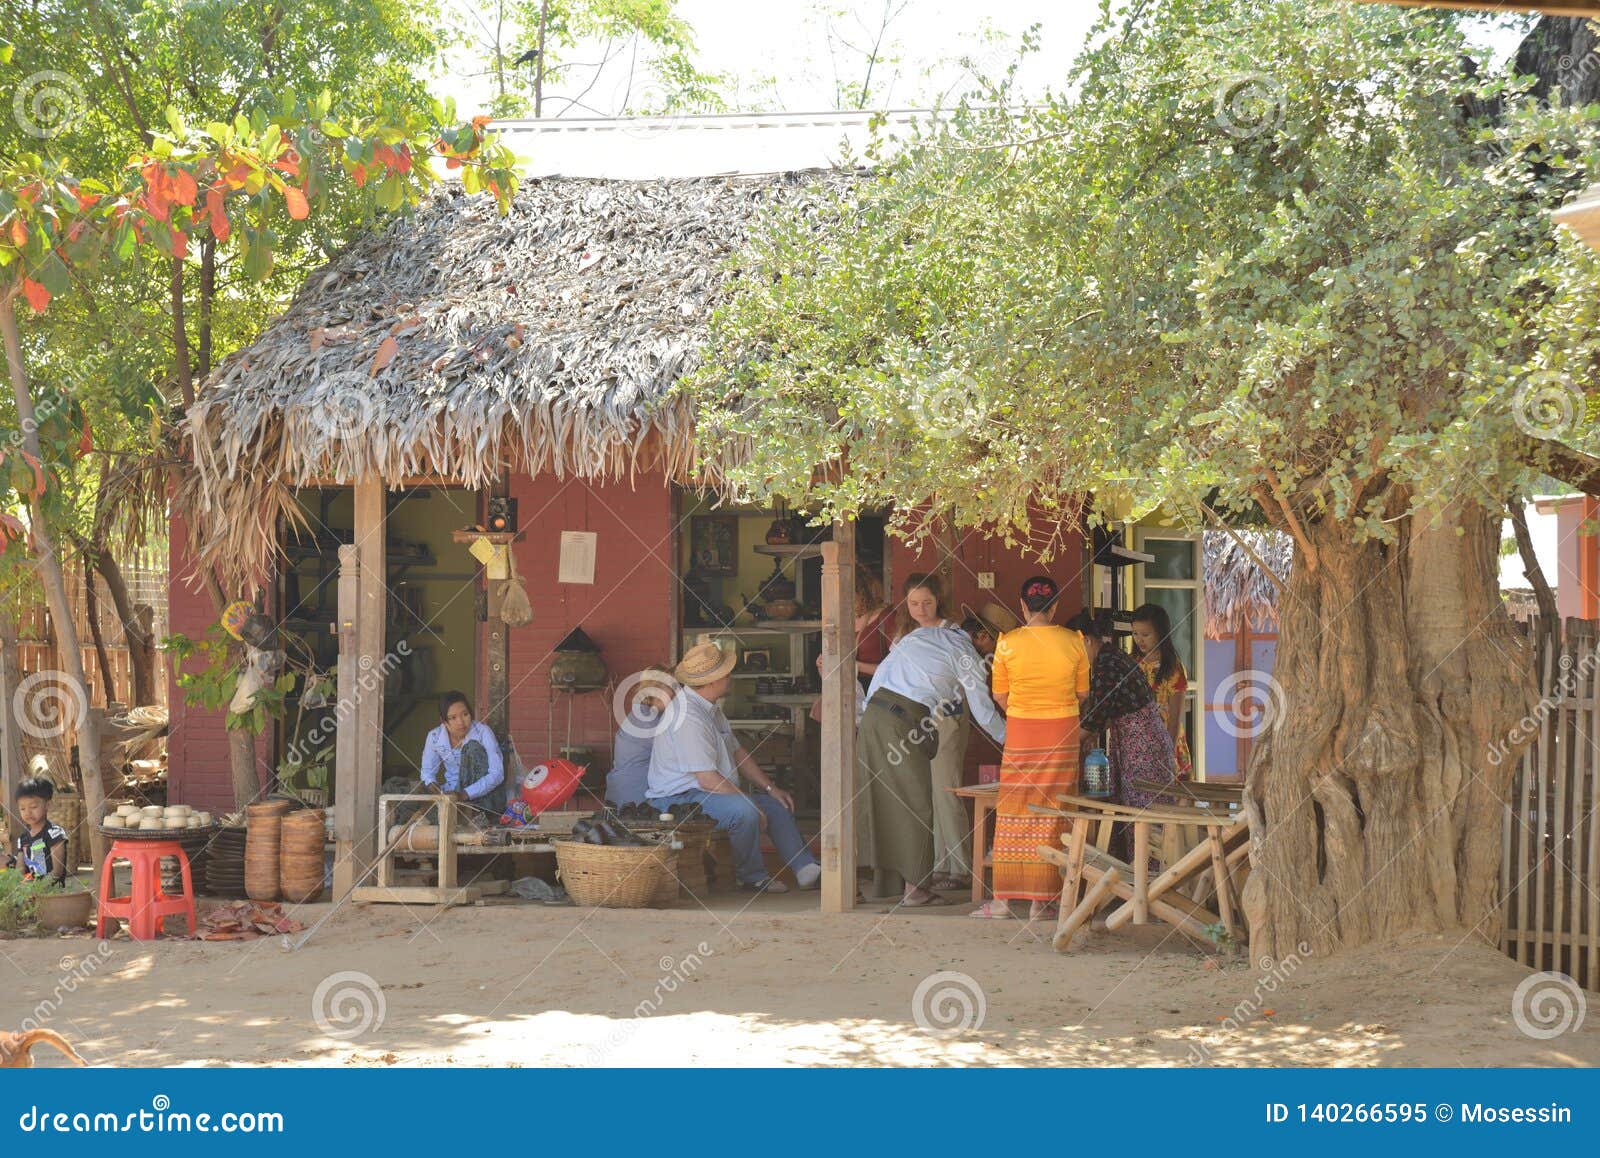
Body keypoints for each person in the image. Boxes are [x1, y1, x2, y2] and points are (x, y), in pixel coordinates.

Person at [858, 603, 1006, 907]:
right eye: (995, 643)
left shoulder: (921, 637)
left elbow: (883, 676)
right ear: (980, 636)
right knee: (917, 804)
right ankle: (915, 890)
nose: (994, 653)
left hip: (874, 715)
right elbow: (983, 712)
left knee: (881, 801)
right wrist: (1016, 744)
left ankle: (882, 884)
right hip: (901, 720)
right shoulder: (964, 653)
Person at [648, 643, 821, 893]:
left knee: (775, 803)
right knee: (745, 810)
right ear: (711, 681)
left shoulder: (709, 707)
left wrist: (770, 787)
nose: (730, 677)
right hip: (678, 801)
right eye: (726, 673)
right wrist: (750, 804)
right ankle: (752, 878)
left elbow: (738, 753)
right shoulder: (687, 717)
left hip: (703, 794)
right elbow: (707, 779)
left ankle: (806, 870)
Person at [972, 576, 1089, 921]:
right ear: (1055, 607)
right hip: (1062, 730)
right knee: (1055, 807)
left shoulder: (1007, 643)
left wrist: (1024, 712)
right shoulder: (1075, 641)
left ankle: (1004, 901)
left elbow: (999, 696)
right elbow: (1082, 694)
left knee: (1015, 808)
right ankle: (1044, 901)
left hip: (1022, 730)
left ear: (1022, 606)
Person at [890, 572, 973, 892]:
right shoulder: (904, 633)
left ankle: (960, 866)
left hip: (945, 716)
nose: (921, 609)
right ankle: (938, 863)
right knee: (923, 793)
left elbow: (965, 679)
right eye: (914, 603)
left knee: (946, 788)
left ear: (939, 600)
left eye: (927, 602)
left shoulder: (952, 633)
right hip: (911, 717)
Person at [1069, 610, 1177, 852]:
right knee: (1134, 809)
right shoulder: (1110, 658)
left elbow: (1097, 713)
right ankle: (1142, 877)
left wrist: (1064, 748)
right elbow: (1105, 712)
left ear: (1086, 640)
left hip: (1144, 746)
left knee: (1144, 811)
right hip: (1136, 742)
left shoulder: (1108, 664)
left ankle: (1152, 880)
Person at [1131, 603, 1194, 780]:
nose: (1139, 640)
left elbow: (1175, 717)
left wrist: (1167, 752)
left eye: (1145, 634)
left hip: (1166, 740)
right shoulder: (1131, 664)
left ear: (1161, 633)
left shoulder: (1173, 668)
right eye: (1135, 634)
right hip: (1136, 744)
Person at [419, 691, 507, 817]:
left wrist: (465, 794)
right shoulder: (434, 737)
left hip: (484, 799)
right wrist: (434, 787)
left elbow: (497, 773)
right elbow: (427, 772)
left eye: (465, 714)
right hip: (452, 795)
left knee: (472, 747)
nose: (461, 722)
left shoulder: (482, 732)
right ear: (444, 721)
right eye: (453, 718)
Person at [607, 668, 677, 807]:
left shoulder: (643, 715)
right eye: (672, 688)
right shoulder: (648, 720)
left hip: (625, 792)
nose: (676, 694)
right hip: (635, 798)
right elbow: (676, 755)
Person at [6, 777, 69, 885]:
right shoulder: (23, 839)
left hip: (52, 892)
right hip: (30, 891)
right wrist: (19, 885)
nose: (28, 812)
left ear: (47, 805)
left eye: (33, 807)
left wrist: (36, 887)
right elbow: (19, 871)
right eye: (22, 808)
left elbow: (57, 872)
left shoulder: (54, 834)